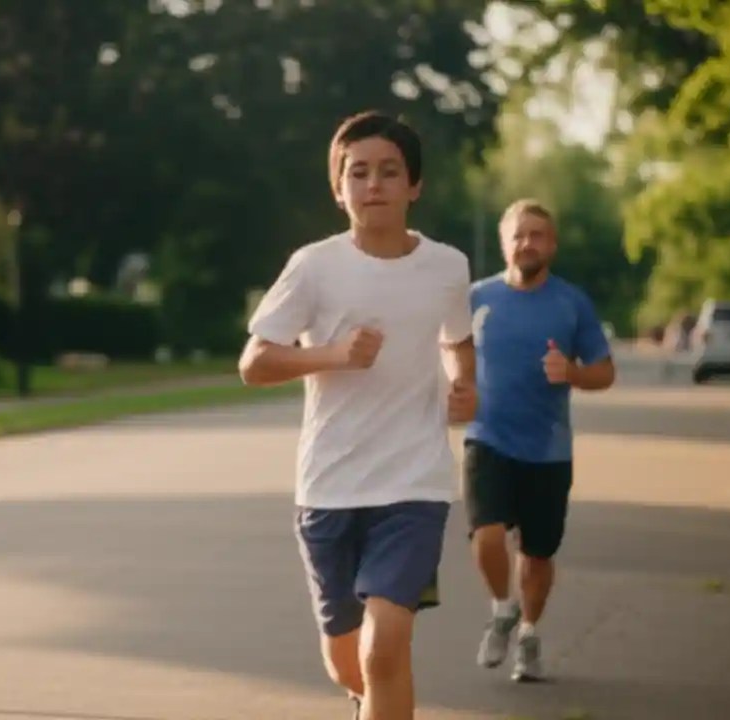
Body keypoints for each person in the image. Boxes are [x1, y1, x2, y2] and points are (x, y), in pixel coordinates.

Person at [238, 110, 476, 720]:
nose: (374, 185)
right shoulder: (314, 266)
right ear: (338, 187)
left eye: (389, 172)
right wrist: (333, 355)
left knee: (385, 647)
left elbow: (456, 339)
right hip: (330, 485)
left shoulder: (448, 267)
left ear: (414, 186)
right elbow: (255, 362)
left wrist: (464, 387)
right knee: (348, 659)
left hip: (413, 486)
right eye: (359, 172)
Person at [464, 199, 616, 683]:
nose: (527, 243)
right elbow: (449, 352)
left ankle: (528, 634)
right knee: (485, 534)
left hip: (548, 449)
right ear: (504, 241)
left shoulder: (571, 303)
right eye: (519, 234)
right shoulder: (476, 298)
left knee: (537, 554)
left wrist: (571, 372)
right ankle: (502, 608)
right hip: (487, 437)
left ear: (551, 244)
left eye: (538, 235)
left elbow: (605, 371)